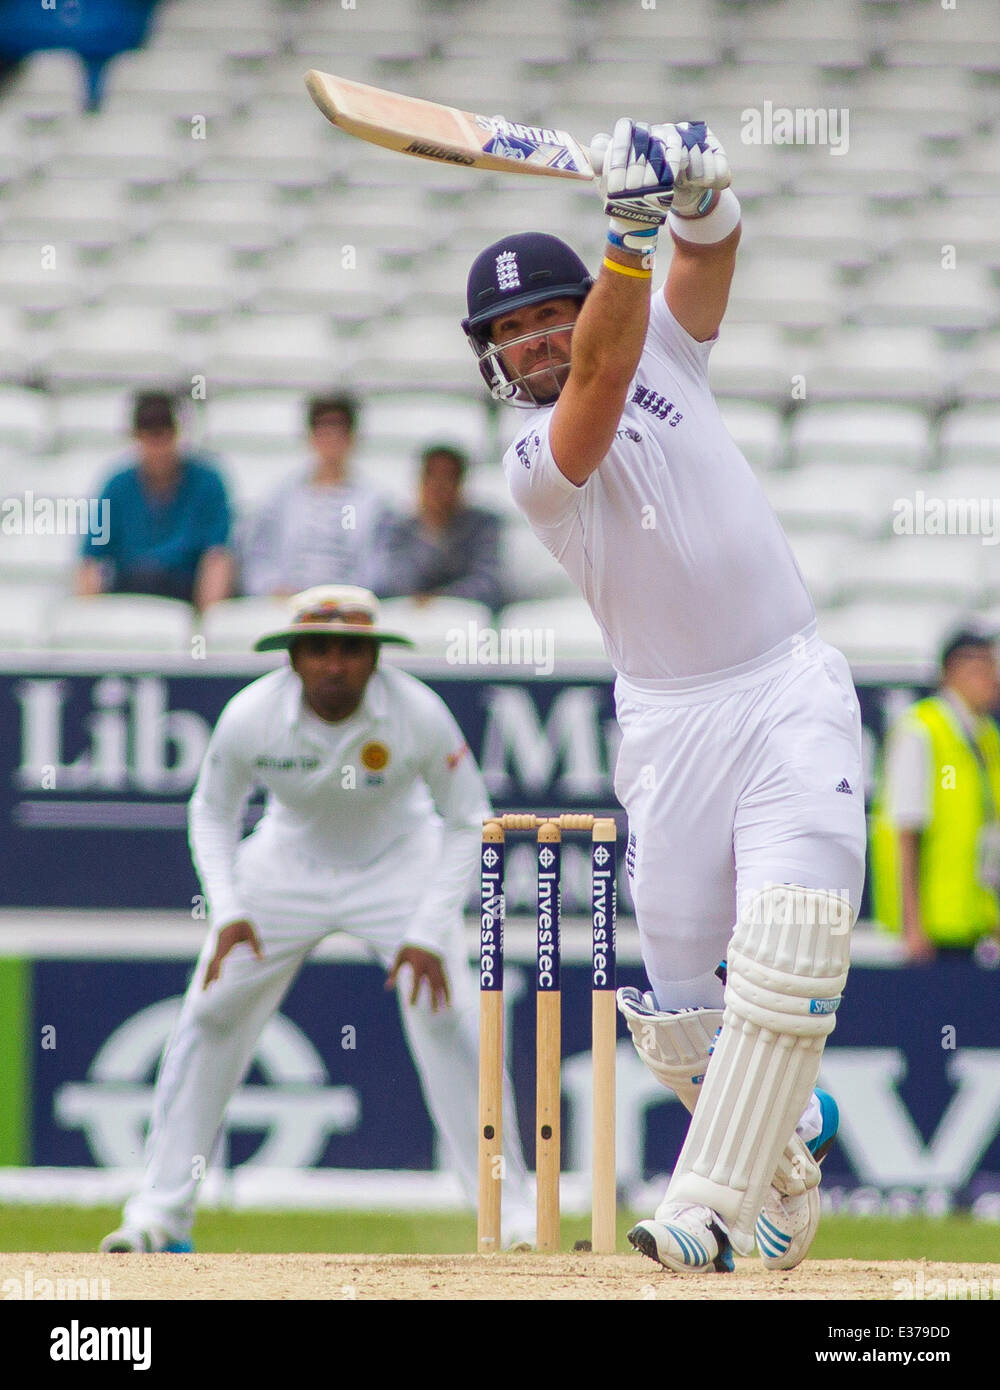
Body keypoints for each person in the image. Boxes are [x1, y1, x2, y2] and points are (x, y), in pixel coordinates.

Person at [461, 119, 866, 1273]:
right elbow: (598, 370)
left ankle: (706, 1208)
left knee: (790, 944)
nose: (533, 342)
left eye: (546, 313)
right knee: (681, 1008)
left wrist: (700, 190)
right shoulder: (535, 463)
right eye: (509, 332)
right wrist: (630, 230)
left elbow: (708, 261)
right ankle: (781, 1152)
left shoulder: (668, 351)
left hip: (785, 685)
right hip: (669, 725)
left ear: (582, 302)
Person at [100, 585, 533, 1253]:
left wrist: (424, 929)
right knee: (210, 1012)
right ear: (294, 657)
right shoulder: (251, 716)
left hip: (399, 865)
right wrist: (229, 909)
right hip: (285, 867)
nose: (335, 665)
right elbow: (211, 813)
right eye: (320, 650)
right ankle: (158, 1219)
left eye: (352, 650)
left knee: (455, 1021)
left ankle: (508, 1222)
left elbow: (468, 820)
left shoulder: (416, 712)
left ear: (374, 656)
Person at [871, 629, 1000, 962]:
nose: (993, 679)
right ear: (954, 671)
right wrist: (913, 927)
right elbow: (906, 829)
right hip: (934, 927)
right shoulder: (922, 730)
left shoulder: (986, 736)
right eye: (984, 667)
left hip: (974, 920)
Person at [76, 390, 234, 610]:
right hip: (129, 589)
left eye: (165, 437)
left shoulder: (208, 482)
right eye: (150, 438)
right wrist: (92, 616)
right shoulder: (116, 486)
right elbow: (90, 561)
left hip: (184, 590)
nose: (159, 450)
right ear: (136, 437)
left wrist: (206, 619)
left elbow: (217, 555)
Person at [238, 393, 387, 597]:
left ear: (352, 438)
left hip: (349, 608)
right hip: (287, 605)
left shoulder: (375, 503)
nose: (331, 440)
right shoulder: (279, 499)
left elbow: (379, 569)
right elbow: (258, 558)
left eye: (339, 431)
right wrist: (273, 589)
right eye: (324, 430)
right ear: (311, 436)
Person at [369, 443, 504, 611]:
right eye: (432, 476)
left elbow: (489, 585)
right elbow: (384, 581)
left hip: (462, 617)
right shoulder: (396, 526)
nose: (439, 486)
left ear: (461, 484)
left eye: (448, 477)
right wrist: (430, 529)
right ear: (420, 481)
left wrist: (440, 599)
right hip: (406, 614)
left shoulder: (483, 525)